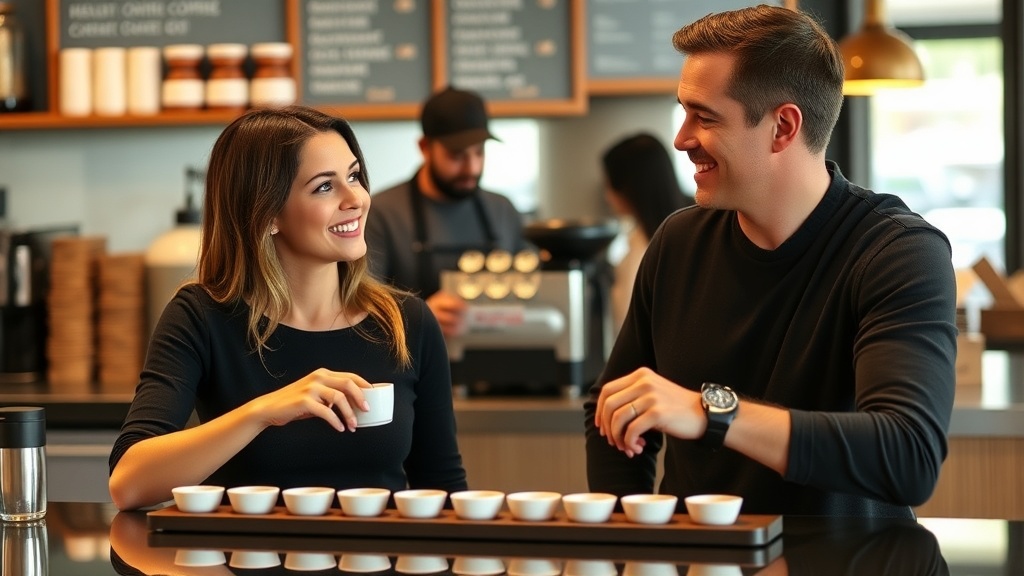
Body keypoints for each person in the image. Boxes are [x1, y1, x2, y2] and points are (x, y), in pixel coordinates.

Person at [585, 5, 957, 518]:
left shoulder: (897, 252)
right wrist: (633, 537)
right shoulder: (678, 242)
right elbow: (614, 406)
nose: (681, 139)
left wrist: (709, 412)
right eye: (683, 112)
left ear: (783, 126)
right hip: (701, 555)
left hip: (848, 556)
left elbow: (907, 456)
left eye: (704, 117)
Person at [108, 106, 467, 511]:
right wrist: (263, 412)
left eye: (353, 177)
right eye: (325, 187)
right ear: (267, 214)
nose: (357, 199)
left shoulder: (407, 322)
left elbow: (444, 491)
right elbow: (128, 483)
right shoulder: (202, 316)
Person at [365, 86, 528, 337]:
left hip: (498, 357)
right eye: (456, 155)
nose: (472, 168)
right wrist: (418, 318)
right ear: (424, 147)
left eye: (479, 152)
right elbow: (361, 305)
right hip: (416, 355)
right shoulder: (382, 213)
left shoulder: (503, 210)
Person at [601, 132, 694, 335]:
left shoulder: (652, 245)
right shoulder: (646, 236)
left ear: (627, 187)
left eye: (608, 184)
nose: (607, 196)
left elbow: (626, 322)